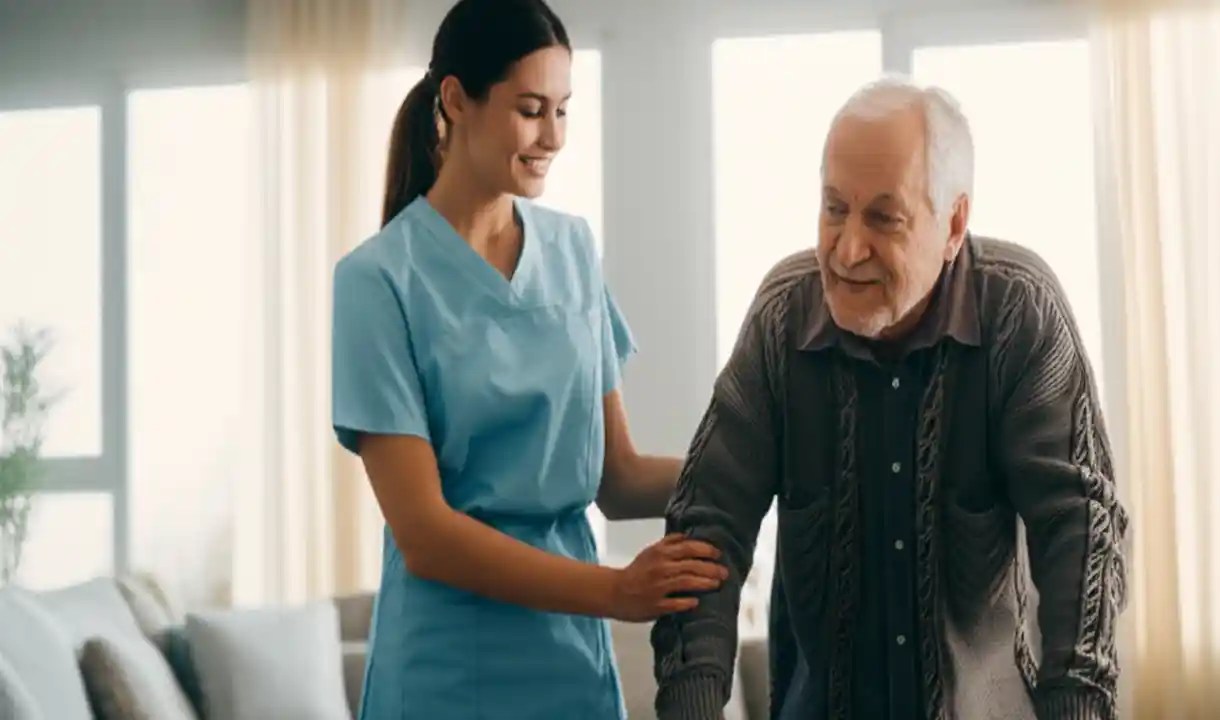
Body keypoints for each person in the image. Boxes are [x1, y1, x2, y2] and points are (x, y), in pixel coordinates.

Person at [652, 77, 1129, 720]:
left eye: (884, 217)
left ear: (954, 222)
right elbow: (707, 524)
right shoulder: (779, 320)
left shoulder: (1021, 312)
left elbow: (1081, 531)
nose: (848, 250)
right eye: (833, 209)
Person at [330, 0, 727, 717]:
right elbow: (425, 536)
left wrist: (773, 472)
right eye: (531, 109)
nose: (553, 137)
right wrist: (615, 591)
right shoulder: (376, 281)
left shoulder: (572, 249)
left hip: (571, 669)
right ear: (456, 100)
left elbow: (619, 477)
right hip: (446, 675)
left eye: (564, 111)